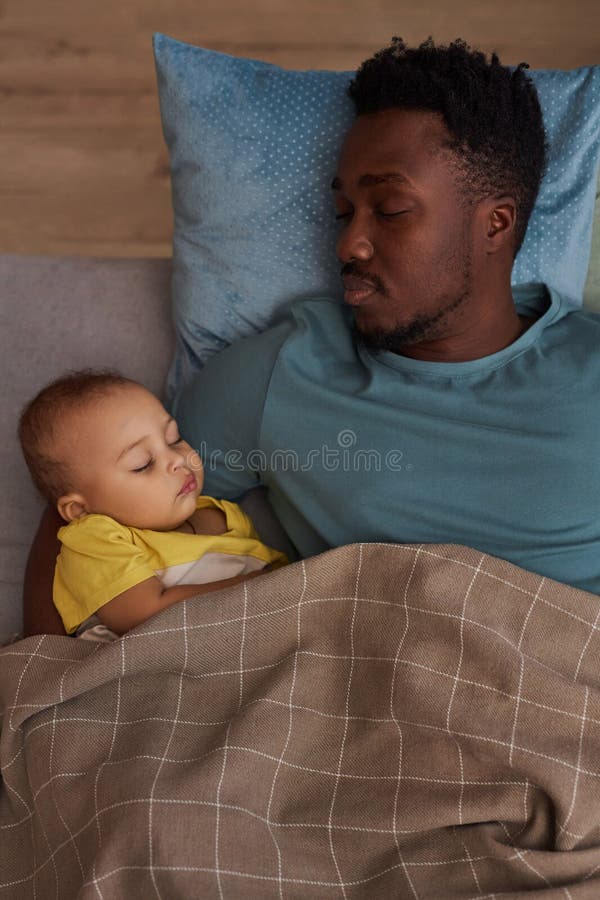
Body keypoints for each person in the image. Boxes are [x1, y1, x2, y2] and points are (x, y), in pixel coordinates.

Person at [23, 37, 600, 636]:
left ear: (495, 224)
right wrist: (45, 677)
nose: (348, 244)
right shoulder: (280, 372)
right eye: (343, 212)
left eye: (391, 209)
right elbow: (85, 504)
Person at [19, 371, 286, 637]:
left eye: (174, 439)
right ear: (80, 510)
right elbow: (144, 615)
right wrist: (254, 585)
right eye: (143, 464)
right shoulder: (96, 540)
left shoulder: (225, 515)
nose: (178, 459)